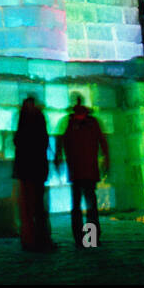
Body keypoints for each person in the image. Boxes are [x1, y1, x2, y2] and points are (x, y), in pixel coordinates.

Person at [55, 95, 109, 247]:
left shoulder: (70, 123)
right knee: (85, 206)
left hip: (82, 171)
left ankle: (85, 238)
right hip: (82, 171)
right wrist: (106, 159)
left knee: (84, 207)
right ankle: (86, 238)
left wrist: (58, 158)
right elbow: (102, 143)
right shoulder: (86, 123)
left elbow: (60, 144)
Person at [13, 96, 52, 251]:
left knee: (30, 207)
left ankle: (31, 239)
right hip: (35, 171)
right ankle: (39, 239)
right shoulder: (38, 121)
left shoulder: (24, 122)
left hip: (27, 171)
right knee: (37, 207)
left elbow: (18, 143)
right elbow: (43, 143)